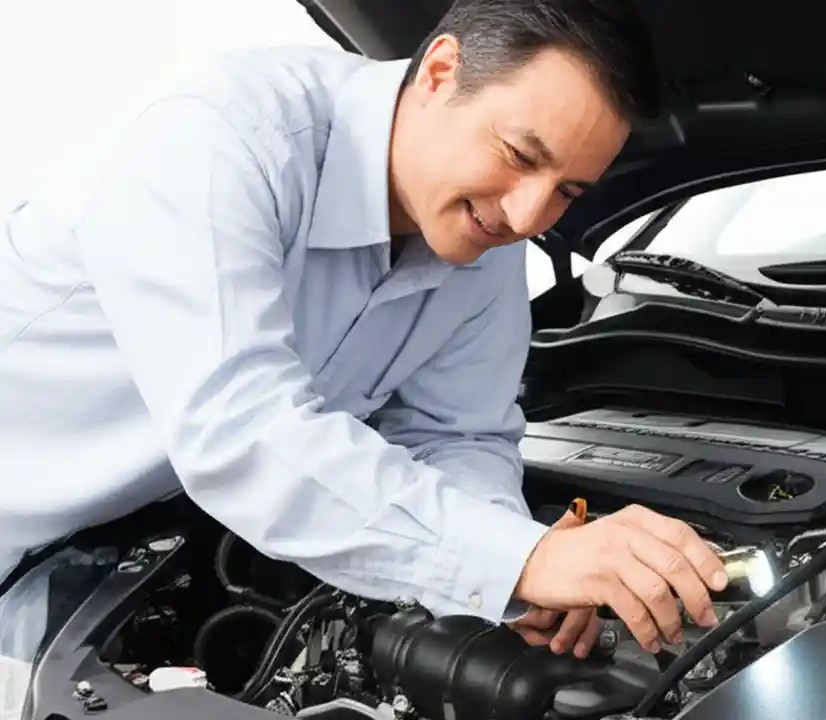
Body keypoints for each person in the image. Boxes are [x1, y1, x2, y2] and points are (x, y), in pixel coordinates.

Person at [0, 0, 727, 696]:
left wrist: (514, 566)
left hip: (91, 570)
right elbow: (238, 428)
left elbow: (455, 433)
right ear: (441, 71)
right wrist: (522, 558)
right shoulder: (224, 137)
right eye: (518, 154)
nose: (527, 216)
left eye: (567, 191)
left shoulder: (480, 242)